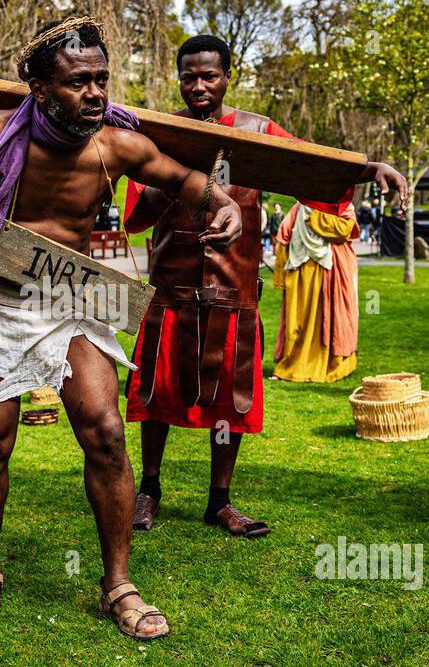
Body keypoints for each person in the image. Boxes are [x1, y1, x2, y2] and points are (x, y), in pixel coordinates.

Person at [0, 17, 243, 640]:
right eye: (79, 83)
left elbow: (180, 177)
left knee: (104, 430)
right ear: (40, 88)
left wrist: (222, 202)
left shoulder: (116, 143)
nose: (96, 94)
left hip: (74, 294)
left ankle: (118, 582)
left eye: (103, 79)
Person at [123, 34, 406, 536]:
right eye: (188, 76)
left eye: (209, 75)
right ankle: (148, 490)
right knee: (157, 395)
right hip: (171, 289)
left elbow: (312, 167)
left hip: (233, 292)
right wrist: (162, 180)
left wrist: (370, 168)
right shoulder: (161, 133)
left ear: (228, 75)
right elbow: (136, 219)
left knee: (231, 402)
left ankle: (220, 501)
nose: (198, 86)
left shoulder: (257, 131)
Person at [270, 199, 360, 383]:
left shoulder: (340, 204)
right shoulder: (298, 207)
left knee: (327, 316)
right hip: (300, 269)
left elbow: (344, 229)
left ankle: (328, 362)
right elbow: (283, 235)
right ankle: (294, 362)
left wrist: (316, 213)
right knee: (298, 318)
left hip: (329, 269)